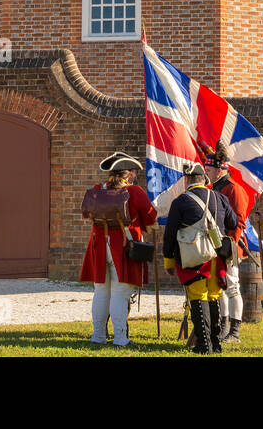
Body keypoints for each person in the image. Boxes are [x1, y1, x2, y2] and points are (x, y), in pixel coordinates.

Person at [79, 151, 157, 347]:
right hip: (123, 245)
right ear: (128, 174)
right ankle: (121, 338)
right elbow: (151, 217)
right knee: (120, 293)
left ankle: (98, 336)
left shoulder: (98, 189)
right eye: (133, 172)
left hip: (98, 245)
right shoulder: (135, 192)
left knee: (101, 292)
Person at [162, 162, 238, 354]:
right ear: (204, 179)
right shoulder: (219, 197)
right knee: (213, 297)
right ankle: (216, 342)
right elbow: (233, 222)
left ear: (187, 180)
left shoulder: (180, 202)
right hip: (217, 257)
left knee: (198, 298)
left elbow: (170, 234)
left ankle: (204, 345)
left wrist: (168, 260)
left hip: (193, 257)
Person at [204, 145, 250, 344]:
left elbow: (238, 222)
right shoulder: (213, 189)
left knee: (232, 287)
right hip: (215, 245)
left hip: (229, 245)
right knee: (219, 287)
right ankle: (222, 327)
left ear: (220, 169)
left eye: (209, 169)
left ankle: (235, 331)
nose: (206, 172)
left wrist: (227, 246)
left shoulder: (233, 189)